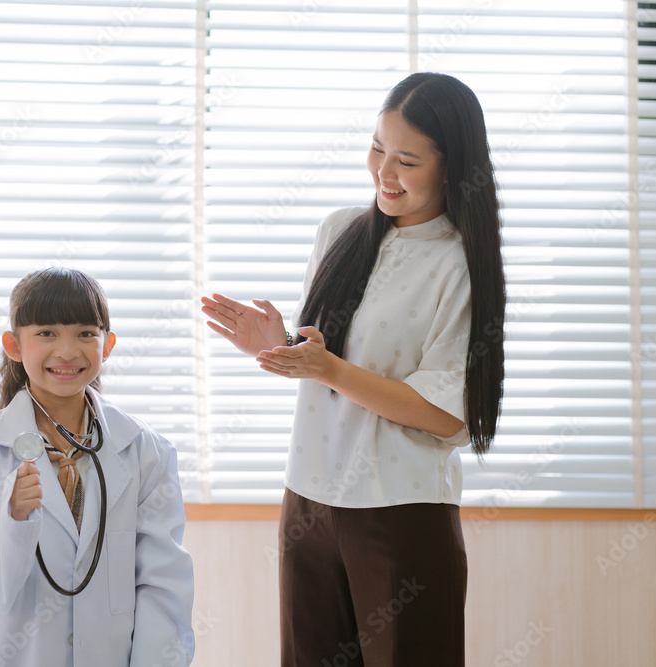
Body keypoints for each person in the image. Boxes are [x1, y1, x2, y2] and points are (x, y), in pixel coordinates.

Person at [200, 72, 506, 667]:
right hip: (309, 496)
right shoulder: (338, 231)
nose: (384, 172)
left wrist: (328, 368)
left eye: (407, 161)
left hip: (402, 510)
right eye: (377, 148)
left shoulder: (458, 266)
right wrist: (281, 346)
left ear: (452, 167)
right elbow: (334, 355)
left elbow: (445, 414)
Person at [0, 267, 195, 667]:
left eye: (85, 333)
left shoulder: (146, 452)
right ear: (13, 345)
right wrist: (9, 519)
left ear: (107, 345)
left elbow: (163, 587)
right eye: (46, 333)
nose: (68, 351)